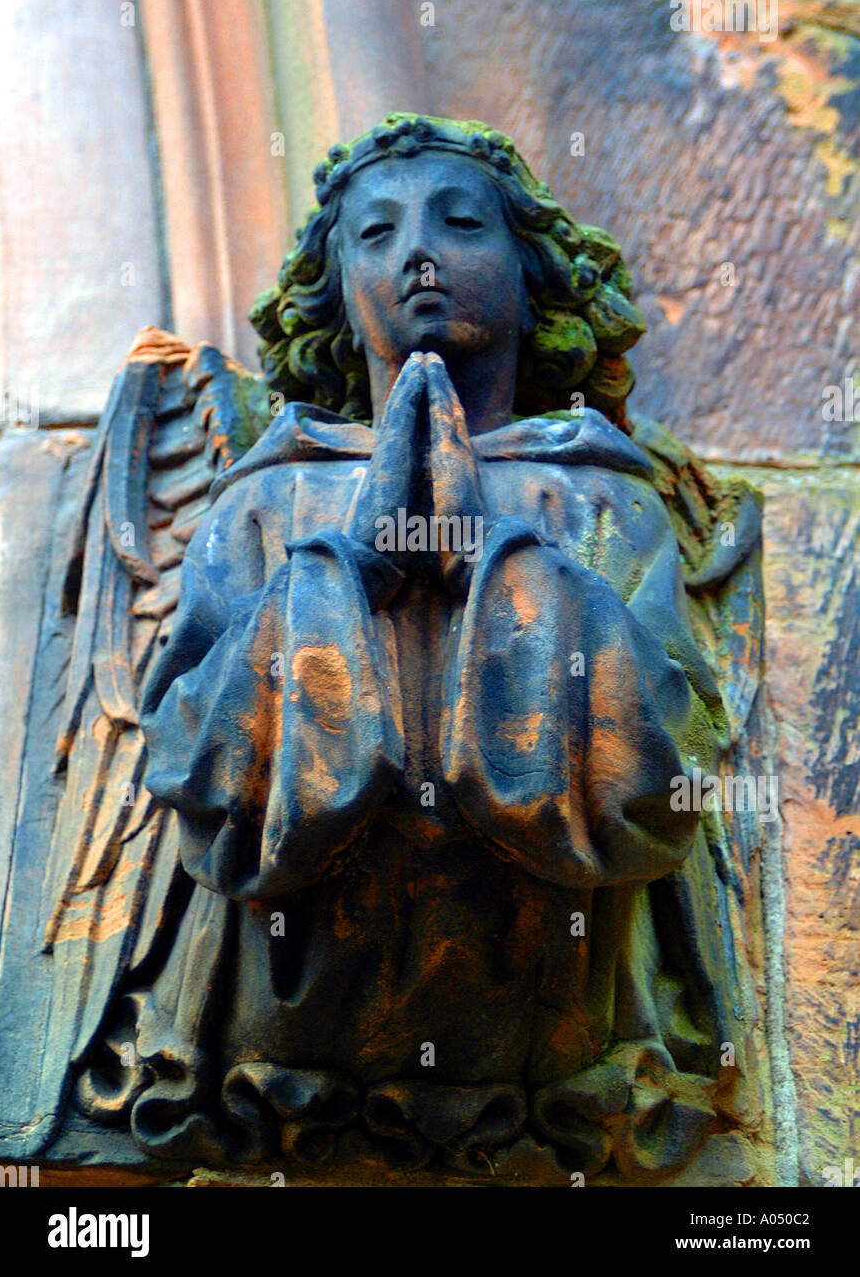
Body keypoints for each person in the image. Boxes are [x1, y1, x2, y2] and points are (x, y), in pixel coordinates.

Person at [135, 115, 731, 1177]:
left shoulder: (596, 494)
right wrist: (346, 570)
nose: (416, 251)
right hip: (288, 1059)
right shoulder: (269, 497)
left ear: (527, 268)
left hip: (548, 1061)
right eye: (373, 234)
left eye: (460, 223)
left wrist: (491, 563)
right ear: (331, 290)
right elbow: (188, 756)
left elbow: (663, 769)